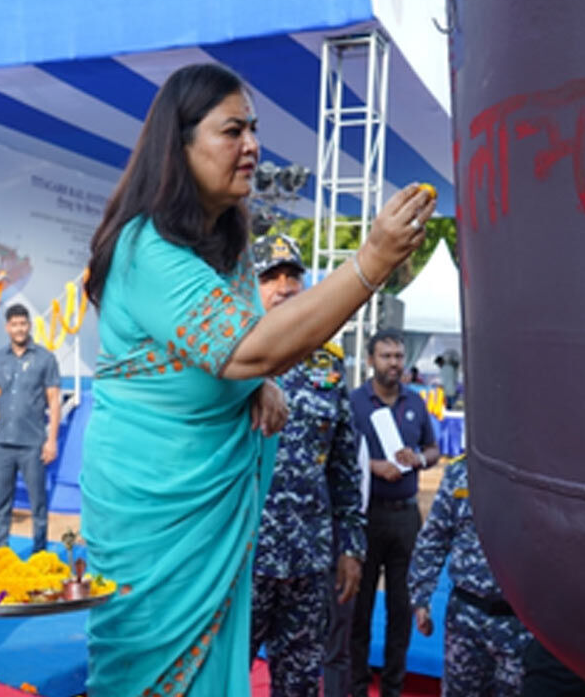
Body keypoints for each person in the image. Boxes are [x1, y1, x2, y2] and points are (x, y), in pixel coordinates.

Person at [79, 62, 435, 697]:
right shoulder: (147, 249)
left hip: (222, 527)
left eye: (254, 129)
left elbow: (235, 358)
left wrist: (257, 385)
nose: (252, 145)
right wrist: (372, 258)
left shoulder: (229, 246)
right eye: (231, 130)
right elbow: (246, 349)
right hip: (159, 524)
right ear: (179, 145)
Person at [247, 234, 366, 697]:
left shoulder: (328, 368)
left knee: (298, 684)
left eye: (291, 276)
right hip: (243, 559)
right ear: (251, 288)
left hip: (307, 560)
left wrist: (351, 545)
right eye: (270, 277)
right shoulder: (233, 360)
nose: (283, 286)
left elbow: (343, 468)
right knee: (227, 678)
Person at [349, 330, 442, 697]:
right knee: (360, 605)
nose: (394, 363)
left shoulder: (416, 403)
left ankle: (393, 688)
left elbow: (434, 448)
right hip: (366, 516)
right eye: (386, 356)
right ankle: (356, 688)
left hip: (406, 516)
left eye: (399, 356)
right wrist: (373, 466)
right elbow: (341, 455)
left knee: (402, 608)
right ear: (371, 359)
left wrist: (419, 459)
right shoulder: (355, 402)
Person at [408, 454, 532, 696]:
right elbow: (434, 538)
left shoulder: (537, 475)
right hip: (465, 618)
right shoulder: (460, 472)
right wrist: (421, 597)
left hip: (519, 624)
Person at [0, 303, 61, 553]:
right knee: (2, 504)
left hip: (32, 444)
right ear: (7, 327)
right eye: (14, 324)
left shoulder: (45, 359)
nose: (19, 329)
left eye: (23, 323)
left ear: (29, 325)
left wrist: (52, 440)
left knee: (38, 505)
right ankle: (0, 555)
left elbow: (54, 401)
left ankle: (39, 554)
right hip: (3, 443)